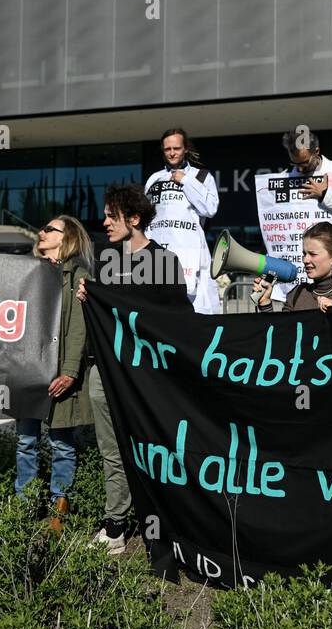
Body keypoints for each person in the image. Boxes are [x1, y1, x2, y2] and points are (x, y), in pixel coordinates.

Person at [76, 184, 191, 554]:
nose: (105, 221)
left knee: (156, 446)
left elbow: (178, 322)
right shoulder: (105, 258)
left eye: (112, 215)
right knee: (111, 450)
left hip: (146, 376)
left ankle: (170, 521)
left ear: (135, 219)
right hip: (105, 372)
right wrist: (86, 300)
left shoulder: (164, 261)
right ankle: (115, 527)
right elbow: (101, 314)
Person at [15, 215, 93, 531]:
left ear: (67, 237)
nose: (41, 232)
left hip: (60, 369)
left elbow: (79, 327)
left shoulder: (79, 275)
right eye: (42, 228)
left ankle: (58, 510)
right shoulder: (28, 272)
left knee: (61, 441)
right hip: (28, 369)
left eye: (49, 229)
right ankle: (24, 505)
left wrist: (71, 371)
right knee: (25, 440)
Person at [264, 129, 332, 305]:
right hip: (299, 285)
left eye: (305, 162)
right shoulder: (285, 178)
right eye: (295, 163)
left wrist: (326, 194)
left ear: (316, 151)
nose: (301, 168)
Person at [143, 127, 221, 314]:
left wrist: (186, 181)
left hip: (192, 256)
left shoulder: (201, 176)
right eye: (167, 149)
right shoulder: (154, 179)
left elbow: (210, 208)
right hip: (159, 256)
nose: (172, 153)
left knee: (196, 314)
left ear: (185, 148)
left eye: (176, 148)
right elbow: (145, 219)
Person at [254, 221, 332, 312]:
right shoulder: (296, 294)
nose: (305, 260)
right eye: (304, 254)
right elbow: (283, 337)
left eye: (313, 254)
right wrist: (265, 304)